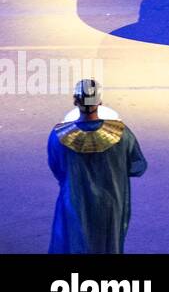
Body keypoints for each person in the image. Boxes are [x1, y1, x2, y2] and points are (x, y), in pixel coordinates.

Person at [47, 79, 148, 253]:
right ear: (99, 102)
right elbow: (137, 166)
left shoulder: (59, 136)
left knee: (76, 243)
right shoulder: (121, 134)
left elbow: (57, 168)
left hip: (75, 199)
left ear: (75, 101)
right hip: (110, 202)